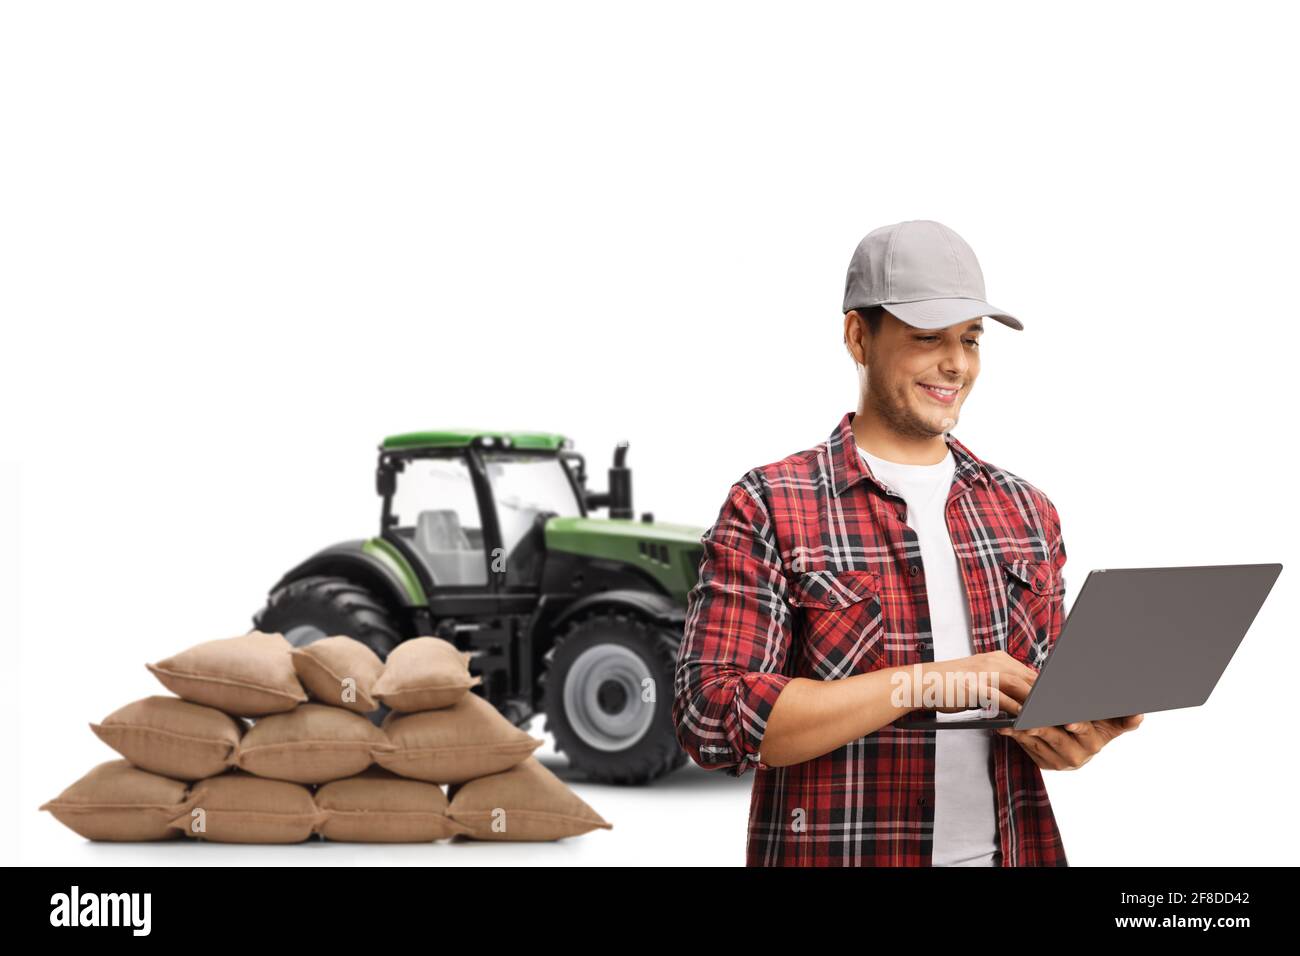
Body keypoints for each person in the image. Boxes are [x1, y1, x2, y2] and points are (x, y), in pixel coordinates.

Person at [672, 219, 1142, 867]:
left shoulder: (1026, 512)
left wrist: (1075, 734)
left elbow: (1036, 699)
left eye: (971, 340)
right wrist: (924, 684)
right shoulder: (772, 504)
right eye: (928, 339)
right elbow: (710, 715)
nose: (957, 364)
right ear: (858, 337)